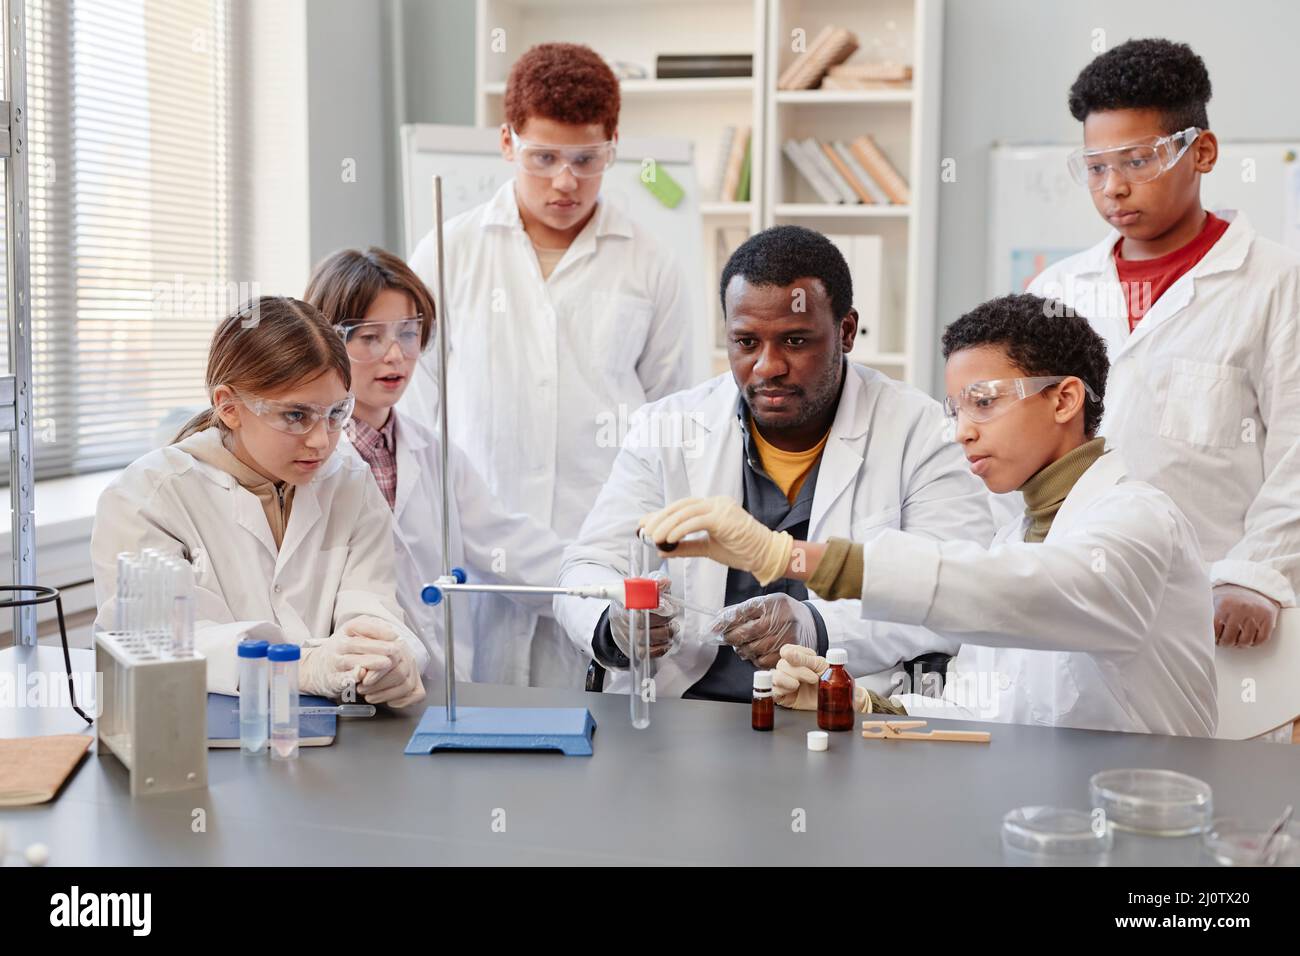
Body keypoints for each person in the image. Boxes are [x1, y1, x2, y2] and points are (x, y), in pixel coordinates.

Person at [643, 294, 1218, 737]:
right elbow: (985, 704)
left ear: (1065, 400)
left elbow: (1028, 593)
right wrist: (860, 703)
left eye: (985, 402)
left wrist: (789, 556)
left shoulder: (1138, 519)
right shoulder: (1017, 535)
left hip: (1148, 822)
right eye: (956, 408)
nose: (961, 430)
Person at [554, 226, 995, 703]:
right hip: (686, 716)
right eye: (746, 342)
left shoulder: (921, 431)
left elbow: (954, 594)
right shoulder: (667, 427)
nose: (767, 366)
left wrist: (817, 626)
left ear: (846, 332)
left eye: (795, 341)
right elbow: (587, 567)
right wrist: (615, 623)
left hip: (842, 716)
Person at [405, 42, 693, 688]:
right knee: (480, 763)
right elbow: (418, 418)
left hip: (602, 572)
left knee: (605, 764)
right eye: (544, 158)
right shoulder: (448, 252)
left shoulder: (651, 262)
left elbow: (668, 423)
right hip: (478, 573)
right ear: (507, 143)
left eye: (587, 160)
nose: (566, 181)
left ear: (613, 144)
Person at [1028, 39, 1300, 666]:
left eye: (1137, 161)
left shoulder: (1275, 283)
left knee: (1215, 763)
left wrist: (1255, 575)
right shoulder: (1056, 291)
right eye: (1095, 167)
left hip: (1217, 612)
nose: (1113, 188)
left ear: (1200, 151)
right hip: (1076, 597)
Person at [91, 297, 427, 707]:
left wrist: (391, 660)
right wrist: (297, 667)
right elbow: (156, 639)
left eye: (336, 413)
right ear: (229, 407)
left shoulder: (350, 483)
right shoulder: (149, 495)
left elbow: (372, 607)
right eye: (296, 416)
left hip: (338, 741)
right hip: (202, 741)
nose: (321, 440)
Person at [304, 247, 565, 683]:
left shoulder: (434, 454)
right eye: (370, 337)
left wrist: (606, 585)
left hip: (437, 688)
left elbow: (509, 545)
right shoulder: (307, 459)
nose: (395, 355)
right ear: (326, 341)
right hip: (344, 689)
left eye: (408, 333)